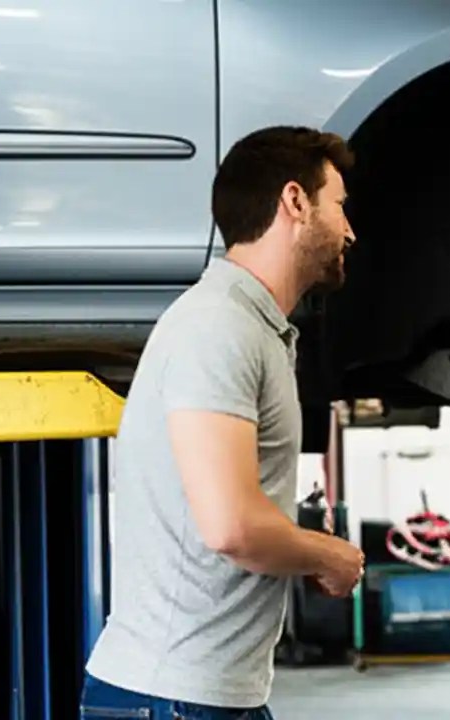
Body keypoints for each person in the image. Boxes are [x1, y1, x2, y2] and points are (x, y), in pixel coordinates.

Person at [80, 126, 366, 719]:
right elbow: (233, 527)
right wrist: (327, 555)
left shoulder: (254, 327)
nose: (349, 231)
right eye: (338, 206)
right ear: (294, 201)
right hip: (173, 698)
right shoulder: (218, 327)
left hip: (204, 696)